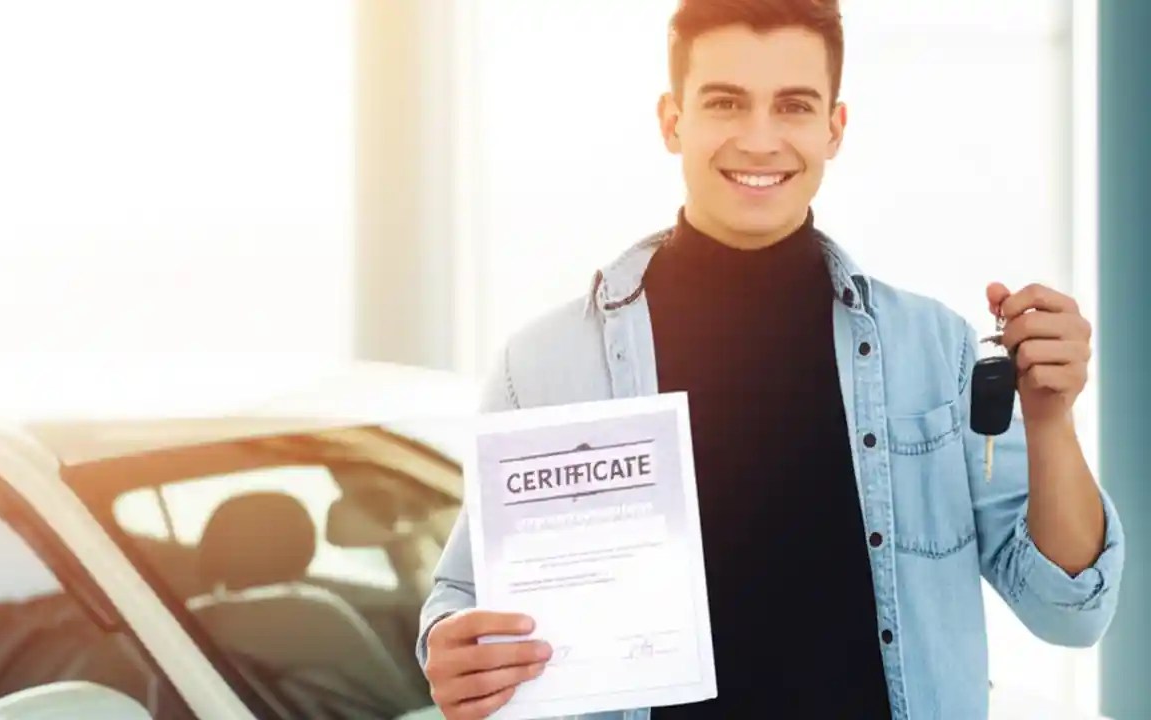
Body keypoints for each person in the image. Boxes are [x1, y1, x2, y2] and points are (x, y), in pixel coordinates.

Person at [416, 0, 1126, 717]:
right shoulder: (543, 366)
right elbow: (463, 601)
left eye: (792, 106)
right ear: (672, 120)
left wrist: (1049, 418)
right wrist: (452, 648)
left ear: (833, 129)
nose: (759, 140)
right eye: (726, 103)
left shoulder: (936, 353)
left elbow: (1069, 612)